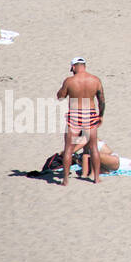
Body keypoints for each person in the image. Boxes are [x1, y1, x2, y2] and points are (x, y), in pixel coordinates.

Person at [57, 57, 105, 186]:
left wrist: (62, 90)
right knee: (93, 147)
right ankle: (96, 178)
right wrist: (100, 115)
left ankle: (65, 180)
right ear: (84, 66)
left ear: (73, 67)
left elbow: (60, 97)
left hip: (75, 115)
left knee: (68, 148)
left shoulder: (69, 81)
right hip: (89, 113)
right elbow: (101, 100)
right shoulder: (95, 80)